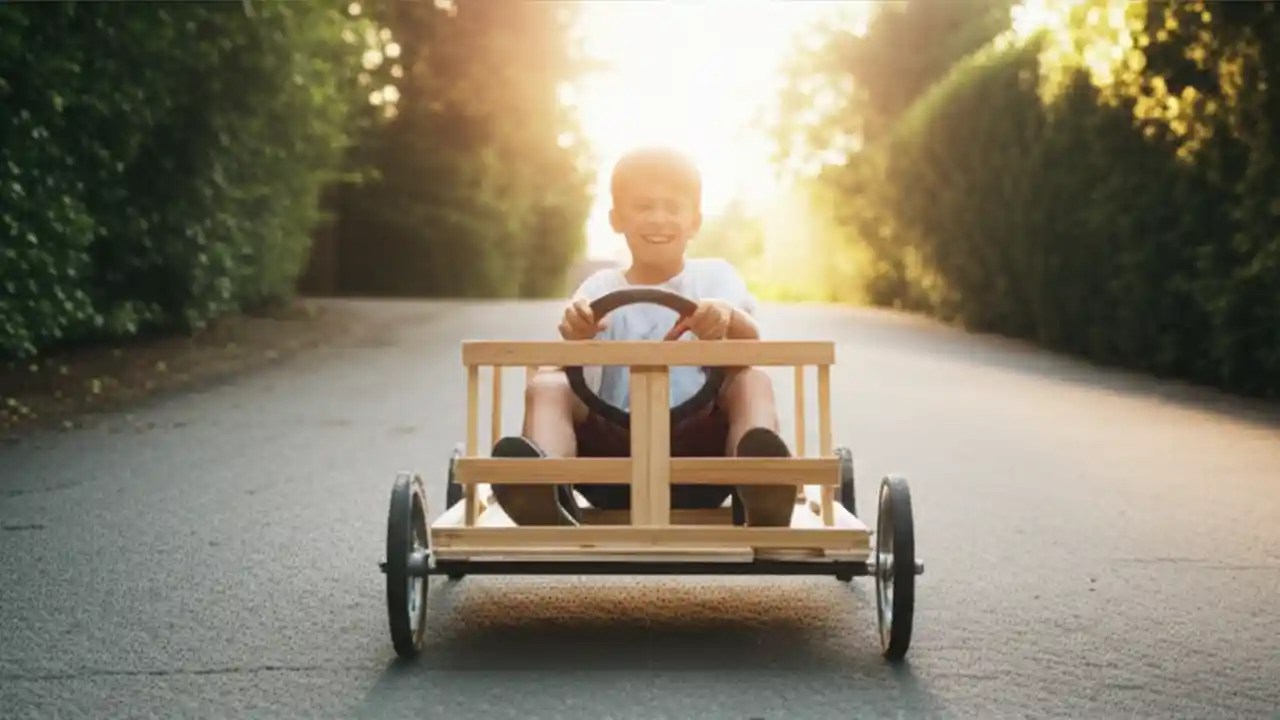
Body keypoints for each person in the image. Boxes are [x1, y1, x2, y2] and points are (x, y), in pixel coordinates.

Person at [489, 146, 796, 526]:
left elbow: (751, 346)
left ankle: (761, 484)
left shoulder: (715, 277)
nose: (658, 219)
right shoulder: (599, 286)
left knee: (751, 379)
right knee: (548, 384)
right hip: (613, 458)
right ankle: (543, 490)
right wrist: (577, 329)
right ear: (617, 219)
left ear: (694, 221)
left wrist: (727, 317)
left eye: (672, 207)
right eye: (644, 207)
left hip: (702, 454)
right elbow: (570, 348)